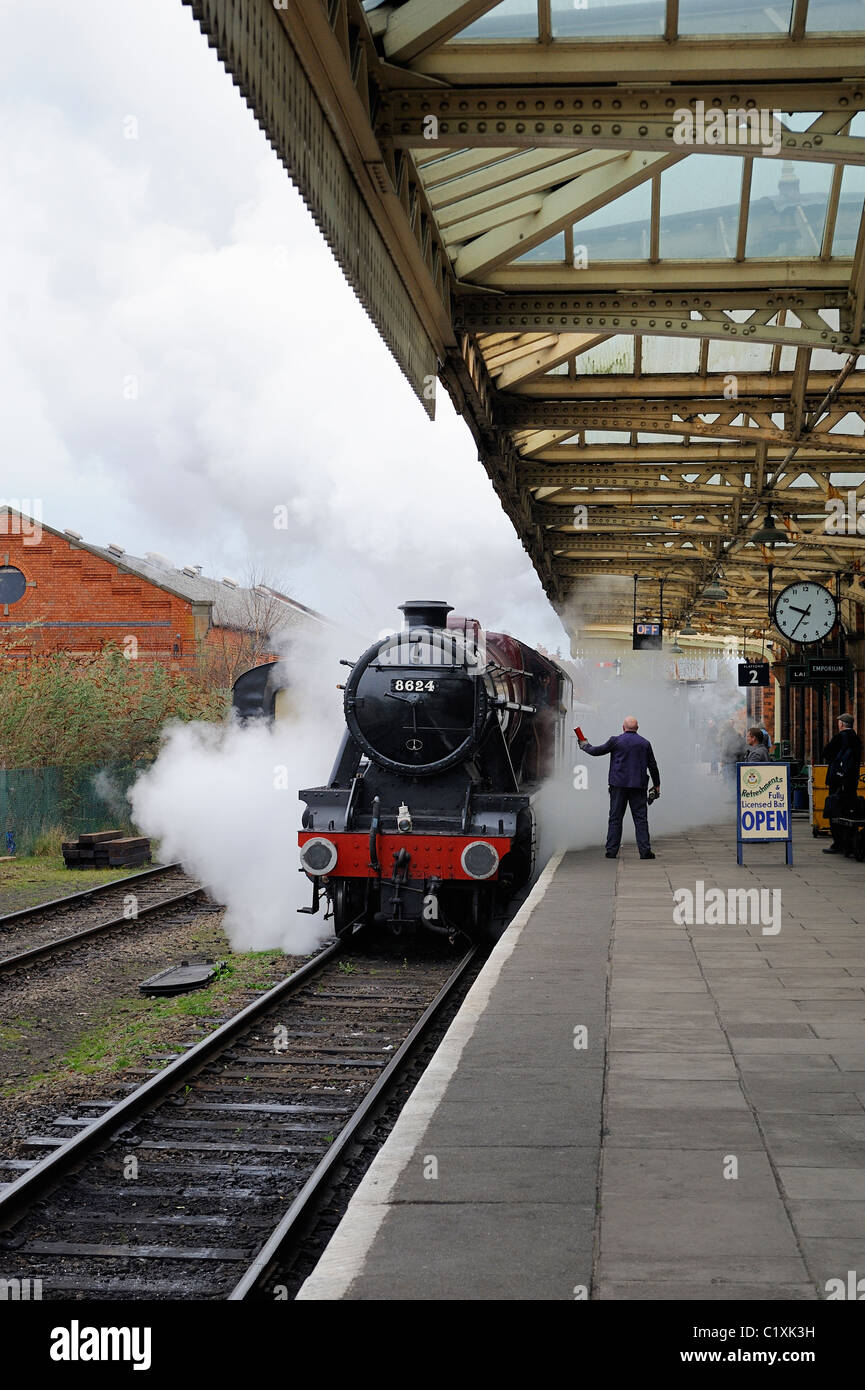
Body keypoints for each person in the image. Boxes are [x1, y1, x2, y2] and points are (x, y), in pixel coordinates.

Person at [578, 716, 661, 860]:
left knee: (615, 818)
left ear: (623, 728)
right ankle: (645, 851)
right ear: (637, 728)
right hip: (638, 786)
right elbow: (653, 766)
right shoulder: (645, 743)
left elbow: (597, 751)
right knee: (641, 819)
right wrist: (657, 785)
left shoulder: (615, 741)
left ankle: (611, 851)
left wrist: (585, 745)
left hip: (618, 786)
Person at [822, 713, 862, 855]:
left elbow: (826, 753)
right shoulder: (857, 739)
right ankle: (850, 842)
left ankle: (838, 843)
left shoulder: (840, 737)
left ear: (841, 724)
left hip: (837, 781)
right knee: (850, 811)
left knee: (835, 810)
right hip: (851, 781)